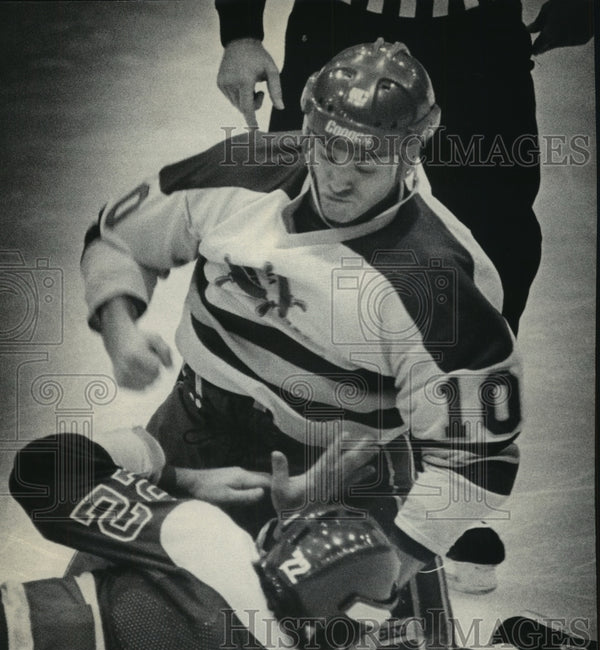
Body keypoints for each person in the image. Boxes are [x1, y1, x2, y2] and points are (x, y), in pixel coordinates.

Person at [81, 40, 522, 594]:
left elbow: (477, 457)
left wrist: (383, 583)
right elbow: (118, 239)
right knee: (98, 610)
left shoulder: (440, 278)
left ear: (410, 153)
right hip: (193, 427)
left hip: (344, 472)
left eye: (365, 162)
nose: (339, 179)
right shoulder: (242, 165)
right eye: (326, 150)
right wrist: (119, 331)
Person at [5, 429, 597, 650]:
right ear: (353, 643)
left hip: (319, 445)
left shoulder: (207, 543)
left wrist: (177, 477)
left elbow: (39, 471)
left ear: (269, 546)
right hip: (236, 410)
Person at [215, 0, 594, 335]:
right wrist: (240, 28)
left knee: (495, 231)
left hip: (479, 31)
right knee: (295, 210)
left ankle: (467, 382)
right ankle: (274, 367)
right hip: (338, 18)